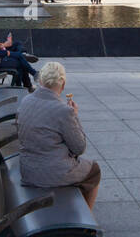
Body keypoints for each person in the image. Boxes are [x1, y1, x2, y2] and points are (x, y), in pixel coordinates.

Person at [16, 61, 101, 210]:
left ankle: (69, 211)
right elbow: (79, 147)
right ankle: (85, 224)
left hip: (28, 170)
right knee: (94, 171)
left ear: (41, 81)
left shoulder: (25, 101)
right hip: (51, 174)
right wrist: (74, 116)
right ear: (62, 85)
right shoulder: (63, 111)